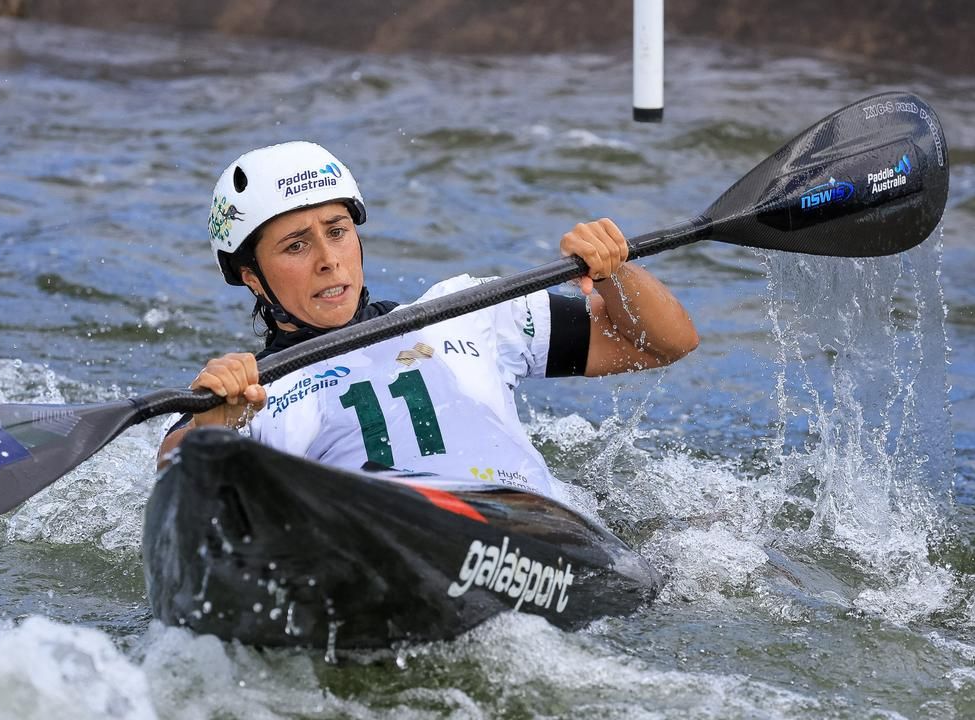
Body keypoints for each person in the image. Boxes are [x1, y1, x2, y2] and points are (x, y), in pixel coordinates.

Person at [158, 141, 697, 500]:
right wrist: (210, 427)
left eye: (338, 230)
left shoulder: (463, 312)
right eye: (296, 245)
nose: (328, 259)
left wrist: (614, 272)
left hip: (533, 526)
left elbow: (665, 343)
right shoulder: (248, 393)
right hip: (386, 530)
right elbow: (172, 483)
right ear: (252, 276)